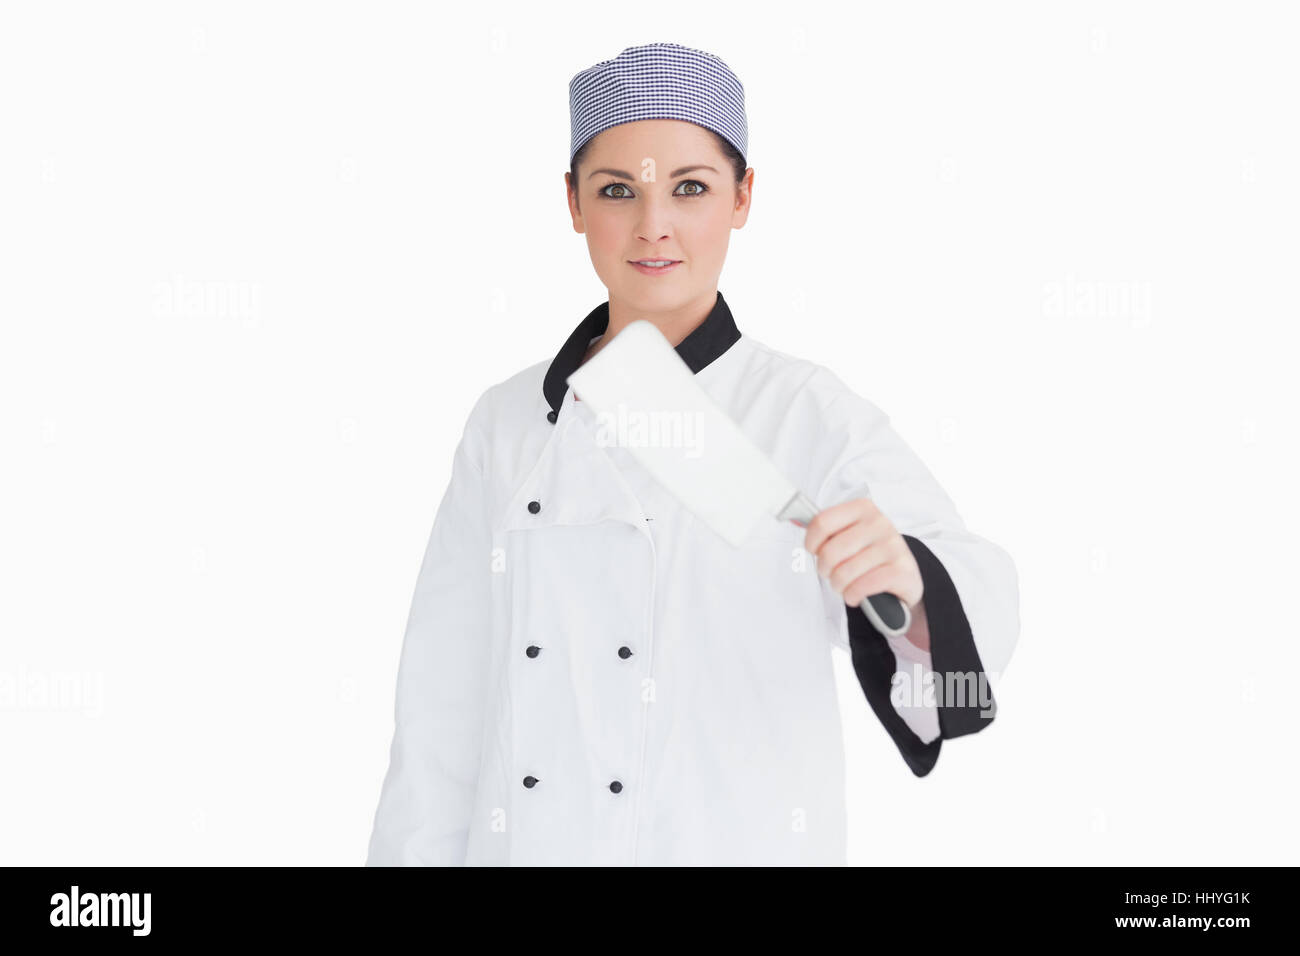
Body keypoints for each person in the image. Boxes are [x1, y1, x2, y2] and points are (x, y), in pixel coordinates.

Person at [365, 41, 1019, 866]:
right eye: (616, 191)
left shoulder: (803, 414)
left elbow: (972, 636)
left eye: (690, 188)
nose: (653, 226)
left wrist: (909, 580)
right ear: (571, 202)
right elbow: (439, 708)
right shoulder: (506, 424)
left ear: (744, 197)